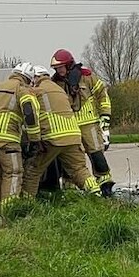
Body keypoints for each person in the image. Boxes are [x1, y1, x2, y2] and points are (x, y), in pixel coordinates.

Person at [21, 66, 102, 198]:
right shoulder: (59, 90)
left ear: (36, 77)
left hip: (52, 137)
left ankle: (27, 203)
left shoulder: (35, 91)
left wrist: (33, 139)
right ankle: (95, 193)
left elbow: (30, 113)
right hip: (73, 136)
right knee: (79, 170)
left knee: (33, 170)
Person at [49, 49, 115, 196]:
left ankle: (105, 182)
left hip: (89, 123)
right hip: (69, 126)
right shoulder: (55, 83)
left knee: (96, 153)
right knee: (71, 158)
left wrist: (105, 116)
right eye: (56, 69)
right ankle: (71, 188)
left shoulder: (86, 76)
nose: (59, 71)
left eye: (61, 67)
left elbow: (102, 95)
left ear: (69, 65)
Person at [0, 63, 41, 209]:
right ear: (28, 78)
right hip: (6, 139)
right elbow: (30, 114)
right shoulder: (22, 90)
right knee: (14, 173)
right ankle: (10, 214)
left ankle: (0, 214)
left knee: (3, 175)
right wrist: (34, 139)